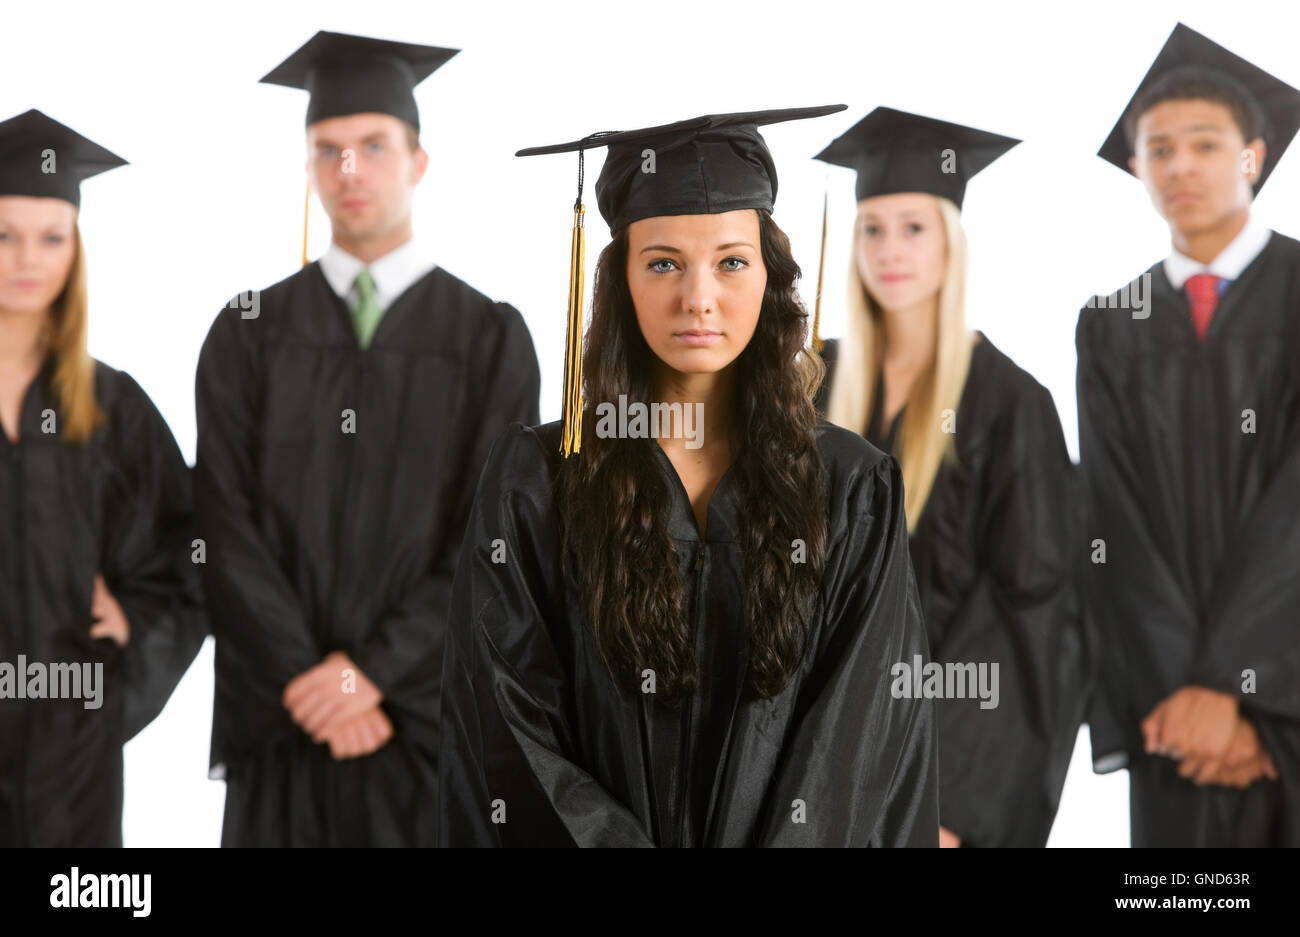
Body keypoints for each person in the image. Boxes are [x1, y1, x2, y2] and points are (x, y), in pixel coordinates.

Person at [439, 105, 939, 847]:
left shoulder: (850, 487)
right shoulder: (538, 483)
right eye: (664, 261)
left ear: (770, 276)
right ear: (620, 279)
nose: (698, 297)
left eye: (732, 261)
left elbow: (857, 747)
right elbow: (506, 731)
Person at [195, 31, 540, 847]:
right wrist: (311, 681)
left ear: (419, 161)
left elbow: (489, 539)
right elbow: (220, 523)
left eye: (373, 147)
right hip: (284, 728)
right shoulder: (248, 332)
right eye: (329, 151)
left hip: (417, 730)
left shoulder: (488, 338)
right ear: (309, 168)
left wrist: (373, 674)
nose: (350, 172)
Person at [812, 107, 1089, 847]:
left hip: (936, 780)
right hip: (807, 768)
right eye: (872, 228)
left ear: (950, 241)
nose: (889, 250)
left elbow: (1029, 611)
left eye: (913, 227)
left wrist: (949, 802)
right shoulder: (811, 384)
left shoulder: (1009, 403)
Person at [1079, 22, 1300, 846]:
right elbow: (1114, 520)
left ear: (1252, 156)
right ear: (1136, 167)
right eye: (1158, 148)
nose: (1179, 166)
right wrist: (1186, 697)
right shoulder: (1109, 325)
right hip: (1171, 719)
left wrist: (1240, 690)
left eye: (1204, 144)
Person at [0, 109, 204, 847]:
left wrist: (136, 634)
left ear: (75, 248)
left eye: (52, 236)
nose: (28, 257)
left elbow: (184, 553)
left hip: (74, 763)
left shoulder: (111, 405)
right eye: (4, 233)